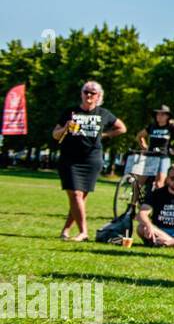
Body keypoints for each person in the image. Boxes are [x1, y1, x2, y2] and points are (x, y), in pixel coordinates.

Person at [53, 81, 127, 241]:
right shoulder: (70, 112)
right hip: (70, 158)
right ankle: (84, 232)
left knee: (79, 198)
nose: (89, 95)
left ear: (98, 96)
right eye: (86, 91)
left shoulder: (103, 113)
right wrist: (65, 127)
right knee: (76, 194)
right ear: (81, 94)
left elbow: (122, 128)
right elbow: (55, 135)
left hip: (92, 159)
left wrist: (104, 135)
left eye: (93, 93)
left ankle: (66, 230)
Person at [135, 105, 174, 190]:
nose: (159, 116)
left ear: (167, 116)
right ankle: (135, 198)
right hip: (150, 156)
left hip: (163, 157)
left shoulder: (171, 127)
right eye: (157, 114)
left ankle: (157, 198)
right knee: (139, 183)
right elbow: (139, 136)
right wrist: (144, 147)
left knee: (159, 184)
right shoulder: (152, 126)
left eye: (162, 114)